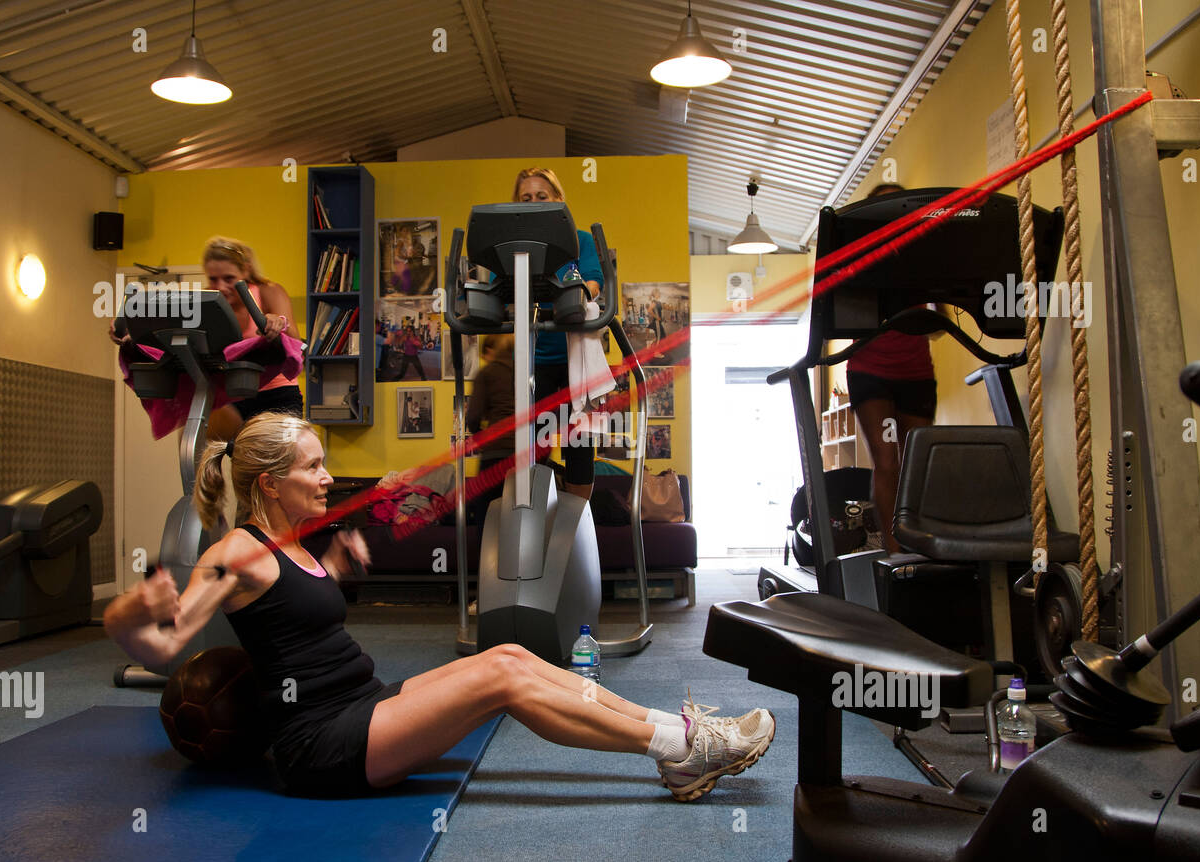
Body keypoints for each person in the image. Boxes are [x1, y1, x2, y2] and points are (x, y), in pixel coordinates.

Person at [102, 413, 775, 801]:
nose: (328, 476)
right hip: (323, 745)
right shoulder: (235, 554)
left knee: (508, 654)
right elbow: (165, 648)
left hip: (365, 702)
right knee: (503, 679)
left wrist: (333, 570)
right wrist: (127, 613)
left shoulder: (293, 543)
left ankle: (677, 736)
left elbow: (294, 614)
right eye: (312, 467)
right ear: (272, 484)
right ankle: (685, 748)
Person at [108, 237, 301, 441]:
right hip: (233, 394)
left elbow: (295, 343)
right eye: (213, 279)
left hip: (276, 393)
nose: (221, 287)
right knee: (193, 436)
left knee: (281, 464)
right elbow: (168, 330)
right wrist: (132, 333)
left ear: (245, 270)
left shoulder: (267, 291)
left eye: (229, 278)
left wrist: (277, 322)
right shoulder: (207, 300)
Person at [844, 183, 943, 554]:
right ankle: (895, 553)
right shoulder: (861, 260)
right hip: (872, 374)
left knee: (916, 466)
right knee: (888, 462)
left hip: (915, 375)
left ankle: (921, 545)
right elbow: (845, 314)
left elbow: (938, 326)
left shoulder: (922, 260)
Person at [512, 167, 602, 502]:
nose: (534, 202)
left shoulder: (581, 241)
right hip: (532, 364)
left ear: (558, 200)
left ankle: (579, 523)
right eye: (526, 198)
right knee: (533, 449)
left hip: (574, 362)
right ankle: (535, 523)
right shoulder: (516, 248)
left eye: (542, 196)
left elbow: (594, 280)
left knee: (578, 446)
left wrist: (575, 297)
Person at [465, 334, 516, 524]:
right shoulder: (525, 371)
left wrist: (480, 436)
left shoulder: (487, 373)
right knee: (521, 514)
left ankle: (486, 553)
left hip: (495, 452)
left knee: (487, 516)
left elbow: (473, 416)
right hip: (524, 452)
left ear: (490, 351)